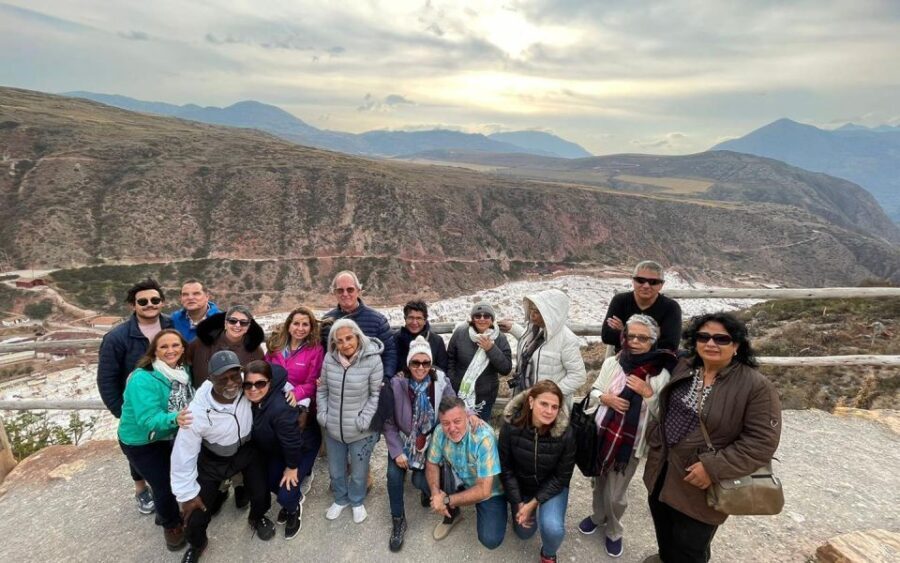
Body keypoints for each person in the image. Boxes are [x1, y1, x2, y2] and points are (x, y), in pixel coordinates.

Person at [642, 312, 782, 563]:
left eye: (721, 339)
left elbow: (761, 441)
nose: (711, 343)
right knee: (664, 529)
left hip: (700, 483)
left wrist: (713, 467)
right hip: (662, 470)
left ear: (736, 345)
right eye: (703, 337)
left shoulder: (755, 386)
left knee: (690, 547)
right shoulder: (686, 366)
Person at [578, 314, 676, 558]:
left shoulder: (660, 374)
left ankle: (614, 530)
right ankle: (597, 516)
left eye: (642, 338)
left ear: (653, 340)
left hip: (629, 445)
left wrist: (648, 393)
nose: (635, 342)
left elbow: (663, 414)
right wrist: (606, 398)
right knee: (598, 483)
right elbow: (594, 391)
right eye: (631, 336)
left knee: (616, 494)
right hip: (602, 436)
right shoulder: (613, 362)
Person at [171, 350, 275, 563]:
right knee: (197, 511)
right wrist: (186, 494)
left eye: (234, 376)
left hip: (246, 451)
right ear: (210, 379)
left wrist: (294, 393)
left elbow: (277, 375)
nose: (231, 383)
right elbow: (183, 455)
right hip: (214, 458)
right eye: (222, 379)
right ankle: (198, 543)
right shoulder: (196, 412)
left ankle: (256, 517)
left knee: (260, 492)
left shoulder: (248, 388)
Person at [97, 277, 173, 515]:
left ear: (162, 302)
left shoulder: (172, 325)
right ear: (133, 305)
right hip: (136, 406)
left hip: (168, 403)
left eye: (155, 300)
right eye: (143, 301)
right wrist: (121, 411)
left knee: (163, 451)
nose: (149, 304)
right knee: (139, 447)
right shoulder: (117, 338)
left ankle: (164, 492)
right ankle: (141, 489)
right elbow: (107, 379)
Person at [117, 329, 194, 552]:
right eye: (164, 347)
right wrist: (175, 418)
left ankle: (165, 511)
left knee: (170, 476)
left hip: (166, 434)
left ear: (183, 348)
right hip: (141, 441)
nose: (171, 350)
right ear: (154, 351)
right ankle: (171, 526)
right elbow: (147, 419)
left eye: (175, 345)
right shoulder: (143, 378)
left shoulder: (182, 371)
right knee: (163, 485)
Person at [383, 336, 456, 552]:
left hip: (429, 439)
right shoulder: (397, 384)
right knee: (394, 476)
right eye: (416, 362)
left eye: (426, 363)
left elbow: (454, 406)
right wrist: (397, 451)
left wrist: (470, 416)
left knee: (420, 480)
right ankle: (398, 519)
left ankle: (433, 494)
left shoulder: (440, 381)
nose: (421, 367)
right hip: (404, 439)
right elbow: (388, 423)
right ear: (408, 363)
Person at [498, 381, 576, 563]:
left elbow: (562, 477)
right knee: (524, 533)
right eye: (544, 404)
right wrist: (518, 503)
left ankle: (548, 554)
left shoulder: (566, 433)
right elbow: (506, 469)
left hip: (552, 486)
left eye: (554, 407)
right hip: (522, 485)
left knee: (553, 528)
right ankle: (519, 509)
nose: (549, 411)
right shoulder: (510, 426)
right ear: (531, 402)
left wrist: (533, 503)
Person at [316, 318, 383, 524]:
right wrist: (323, 415)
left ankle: (356, 500)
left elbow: (375, 395)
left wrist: (364, 420)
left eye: (349, 338)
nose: (345, 344)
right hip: (334, 427)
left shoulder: (372, 360)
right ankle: (340, 498)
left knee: (359, 472)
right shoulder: (330, 359)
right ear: (333, 343)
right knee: (336, 470)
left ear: (358, 337)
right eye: (339, 340)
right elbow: (322, 390)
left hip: (360, 430)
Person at [426, 396, 506, 549]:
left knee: (490, 539)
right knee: (424, 482)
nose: (452, 428)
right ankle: (452, 515)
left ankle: (452, 504)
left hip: (490, 491)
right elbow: (431, 463)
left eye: (457, 421)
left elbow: (484, 490)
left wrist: (446, 500)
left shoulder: (483, 438)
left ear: (467, 417)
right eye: (446, 423)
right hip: (461, 478)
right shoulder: (440, 431)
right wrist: (436, 493)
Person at [265, 306, 325, 495]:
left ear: (311, 327)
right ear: (289, 325)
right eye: (296, 323)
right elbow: (265, 371)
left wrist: (298, 393)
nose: (300, 328)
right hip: (275, 399)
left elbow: (314, 381)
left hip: (299, 403)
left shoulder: (315, 350)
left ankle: (300, 468)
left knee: (296, 436)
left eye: (305, 324)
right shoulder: (275, 345)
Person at [242, 360, 305, 540]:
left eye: (260, 383)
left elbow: (293, 442)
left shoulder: (279, 408)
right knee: (270, 483)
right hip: (274, 451)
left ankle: (293, 508)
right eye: (248, 384)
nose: (253, 389)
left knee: (285, 493)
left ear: (270, 382)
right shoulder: (253, 402)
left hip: (296, 452)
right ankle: (293, 498)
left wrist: (292, 467)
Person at [500, 289, 586, 411]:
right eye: (531, 310)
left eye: (538, 312)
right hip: (526, 399)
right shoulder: (534, 329)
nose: (532, 315)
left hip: (548, 408)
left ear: (550, 314)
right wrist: (513, 328)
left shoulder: (567, 340)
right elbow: (533, 347)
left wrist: (550, 395)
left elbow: (578, 376)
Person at [322, 270, 397, 379]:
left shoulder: (378, 320)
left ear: (358, 291)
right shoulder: (327, 321)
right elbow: (323, 354)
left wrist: (385, 378)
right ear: (334, 293)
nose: (345, 294)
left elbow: (389, 353)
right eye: (340, 290)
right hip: (337, 384)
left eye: (350, 289)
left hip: (370, 382)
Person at [446, 302, 512, 420]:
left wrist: (491, 349)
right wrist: (453, 381)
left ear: (492, 319)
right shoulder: (460, 333)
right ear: (472, 319)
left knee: (481, 428)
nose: (482, 319)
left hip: (485, 396)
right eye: (478, 316)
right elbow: (450, 359)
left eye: (486, 316)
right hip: (460, 392)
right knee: (459, 425)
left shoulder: (500, 338)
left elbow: (506, 368)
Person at [601, 260, 682, 353]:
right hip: (623, 358)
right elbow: (607, 336)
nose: (646, 286)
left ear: (661, 285)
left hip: (656, 360)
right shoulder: (620, 301)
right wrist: (652, 335)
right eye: (640, 280)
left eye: (653, 282)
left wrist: (625, 332)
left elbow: (670, 345)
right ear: (633, 281)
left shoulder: (671, 307)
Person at [187, 305, 265, 388]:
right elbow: (184, 365)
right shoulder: (199, 343)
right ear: (225, 323)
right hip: (201, 394)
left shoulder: (256, 351)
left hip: (237, 395)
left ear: (248, 327)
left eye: (243, 322)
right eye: (232, 321)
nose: (237, 325)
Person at [394, 300, 448, 373]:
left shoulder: (437, 341)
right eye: (411, 318)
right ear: (405, 318)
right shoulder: (395, 339)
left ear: (425, 321)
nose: (414, 322)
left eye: (419, 318)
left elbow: (442, 369)